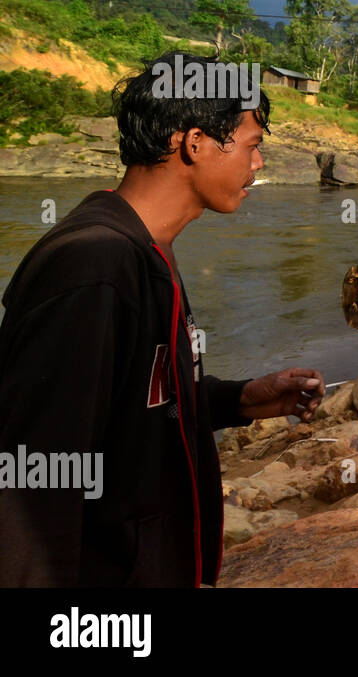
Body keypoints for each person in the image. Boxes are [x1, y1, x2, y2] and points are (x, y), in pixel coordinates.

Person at [0, 52, 326, 587]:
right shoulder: (95, 265)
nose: (259, 163)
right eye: (253, 145)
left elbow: (134, 400)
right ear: (194, 143)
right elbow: (32, 481)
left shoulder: (148, 249)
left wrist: (239, 399)